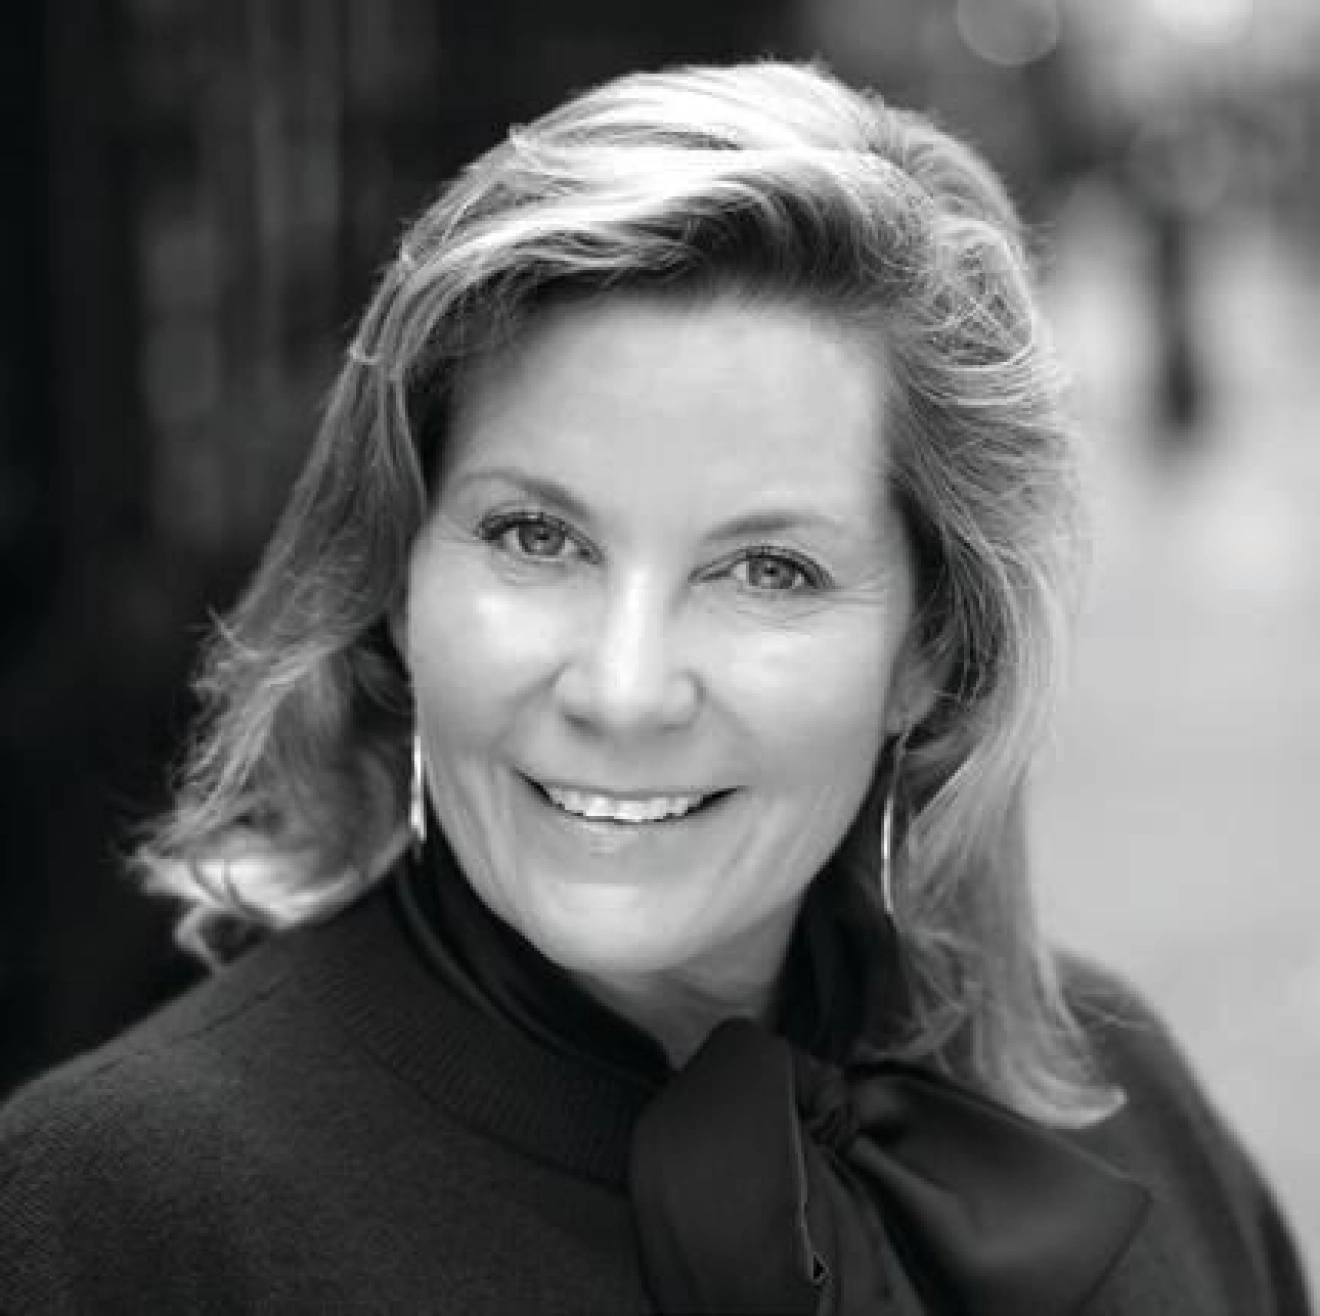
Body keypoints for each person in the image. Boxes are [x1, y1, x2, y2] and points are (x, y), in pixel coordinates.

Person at [0, 60, 1309, 1315]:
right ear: (397, 581)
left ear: (930, 651)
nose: (624, 692)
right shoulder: (117, 1222)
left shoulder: (1125, 1107)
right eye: (536, 537)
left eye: (769, 570)